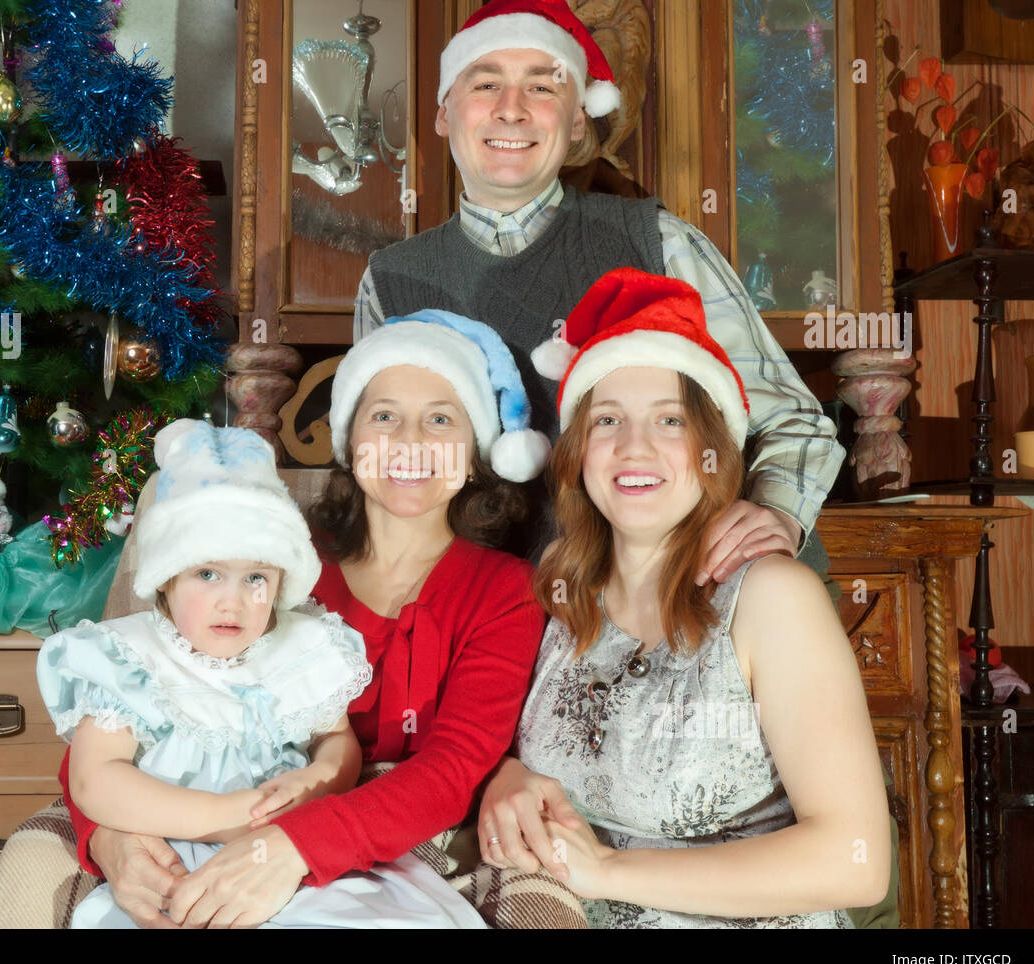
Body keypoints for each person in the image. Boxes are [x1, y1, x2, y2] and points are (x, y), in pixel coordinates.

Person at [58, 311, 548, 927]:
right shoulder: (271, 564)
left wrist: (291, 848)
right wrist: (107, 838)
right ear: (348, 441)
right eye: (384, 416)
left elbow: (452, 770)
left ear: (475, 454)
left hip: (376, 826)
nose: (410, 442)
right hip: (221, 800)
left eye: (441, 419)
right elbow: (134, 695)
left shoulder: (505, 591)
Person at [356, 0, 844, 579]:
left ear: (579, 118)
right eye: (486, 84)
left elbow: (790, 419)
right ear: (443, 112)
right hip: (489, 620)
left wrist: (777, 512)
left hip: (670, 603)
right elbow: (385, 479)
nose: (511, 111)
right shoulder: (390, 281)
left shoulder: (659, 244)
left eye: (542, 87)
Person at [477, 267, 891, 927]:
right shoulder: (553, 593)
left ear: (711, 451)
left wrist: (610, 870)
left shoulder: (770, 598)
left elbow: (855, 861)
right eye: (607, 420)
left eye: (669, 421)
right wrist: (507, 779)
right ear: (579, 453)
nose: (633, 447)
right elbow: (484, 747)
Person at [37, 420, 485, 928]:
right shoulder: (132, 659)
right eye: (207, 574)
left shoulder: (301, 647)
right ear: (165, 581)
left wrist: (319, 778)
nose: (233, 599)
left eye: (256, 577)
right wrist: (228, 812)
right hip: (178, 855)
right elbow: (95, 780)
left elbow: (335, 739)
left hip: (294, 850)